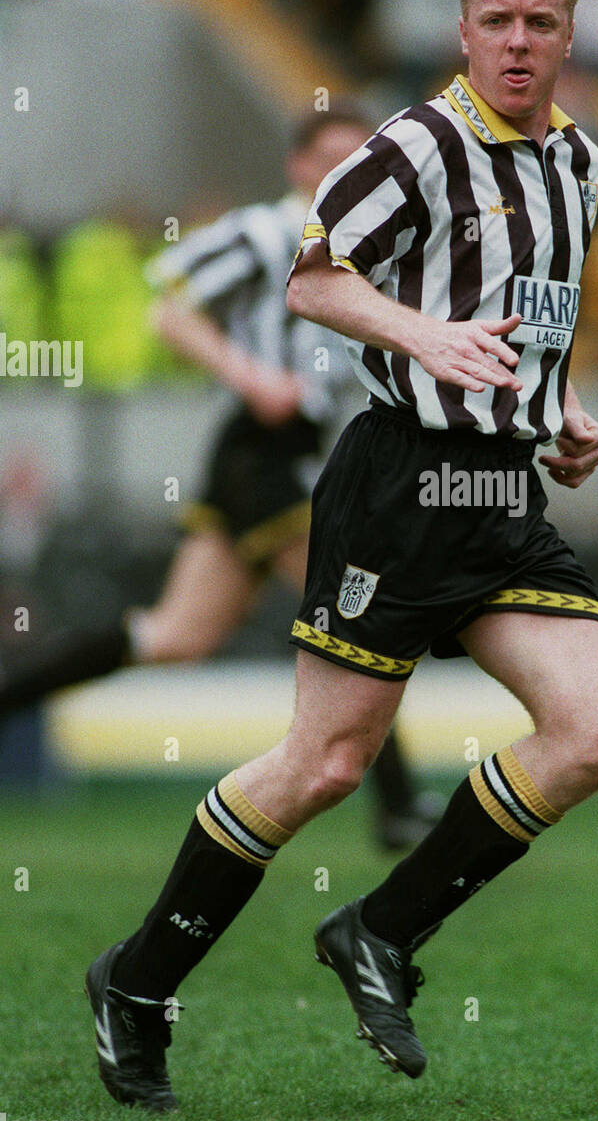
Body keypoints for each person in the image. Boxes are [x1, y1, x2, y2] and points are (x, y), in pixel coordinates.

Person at [84, 0, 598, 1112]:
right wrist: (423, 338)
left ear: (570, 30)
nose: (519, 44)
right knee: (326, 764)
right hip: (395, 485)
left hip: (501, 490)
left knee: (594, 735)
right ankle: (135, 983)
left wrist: (563, 408)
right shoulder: (420, 145)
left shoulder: (579, 163)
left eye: (540, 23)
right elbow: (312, 281)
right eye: (498, 23)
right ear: (463, 28)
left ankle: (379, 931)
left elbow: (527, 316)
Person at [0, 106, 435, 850]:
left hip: (291, 450)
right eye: (329, 157)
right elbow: (169, 311)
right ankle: (397, 805)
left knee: (174, 636)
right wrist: (251, 375)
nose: (343, 172)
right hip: (259, 452)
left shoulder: (363, 250)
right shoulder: (267, 231)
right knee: (353, 611)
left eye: (356, 159)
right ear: (298, 167)